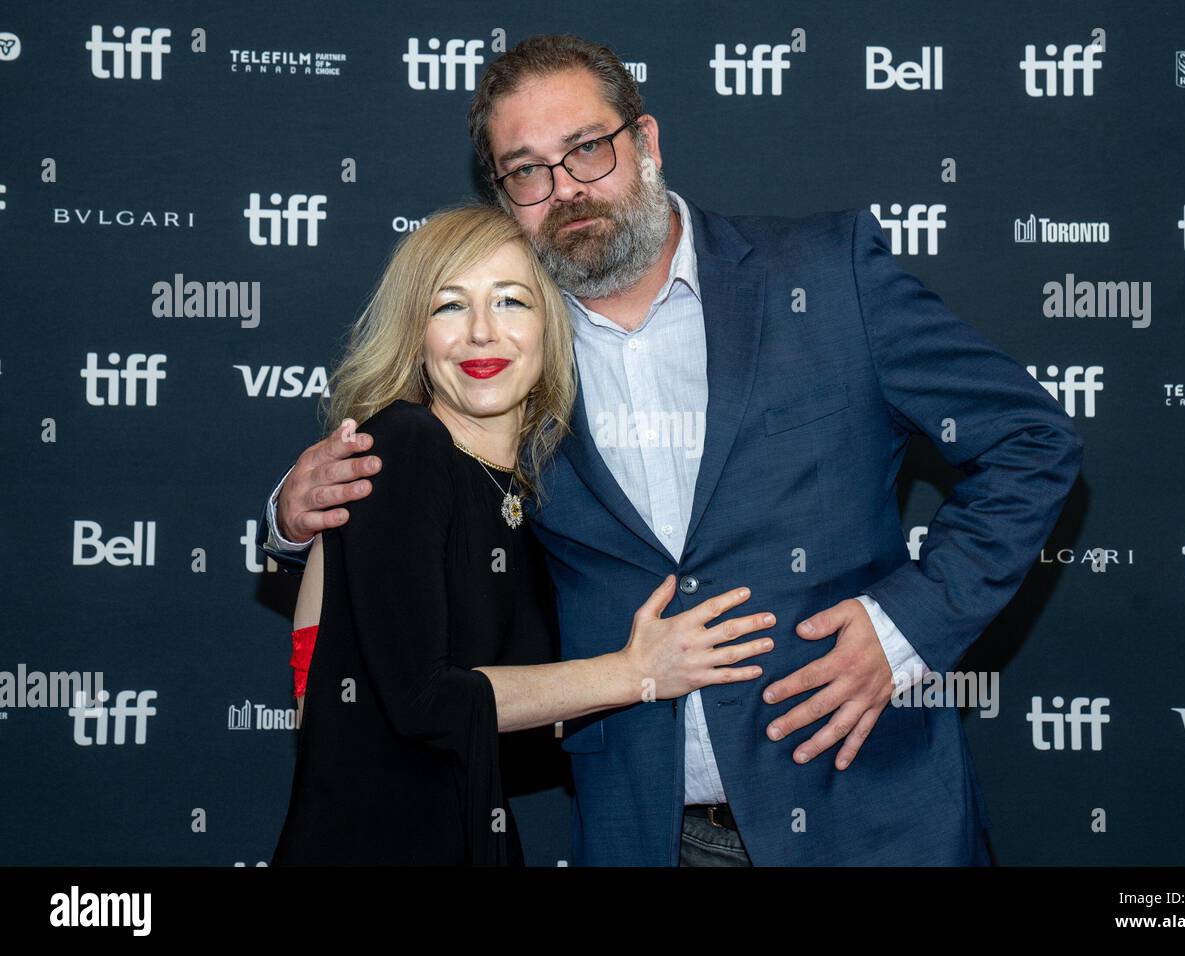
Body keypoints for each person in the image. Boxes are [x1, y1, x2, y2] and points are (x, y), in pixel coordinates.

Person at [261, 34, 1083, 866]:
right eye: (528, 170)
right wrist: (296, 518)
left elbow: (1031, 440)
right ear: (506, 195)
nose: (566, 188)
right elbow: (427, 543)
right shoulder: (512, 357)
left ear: (646, 143)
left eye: (587, 149)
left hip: (870, 817)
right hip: (645, 834)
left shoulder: (830, 275)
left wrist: (902, 628)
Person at [271, 202, 774, 865]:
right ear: (416, 334)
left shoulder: (539, 492)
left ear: (552, 323)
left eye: (510, 301)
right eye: (449, 306)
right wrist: (635, 673)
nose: (482, 332)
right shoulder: (404, 444)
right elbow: (423, 699)